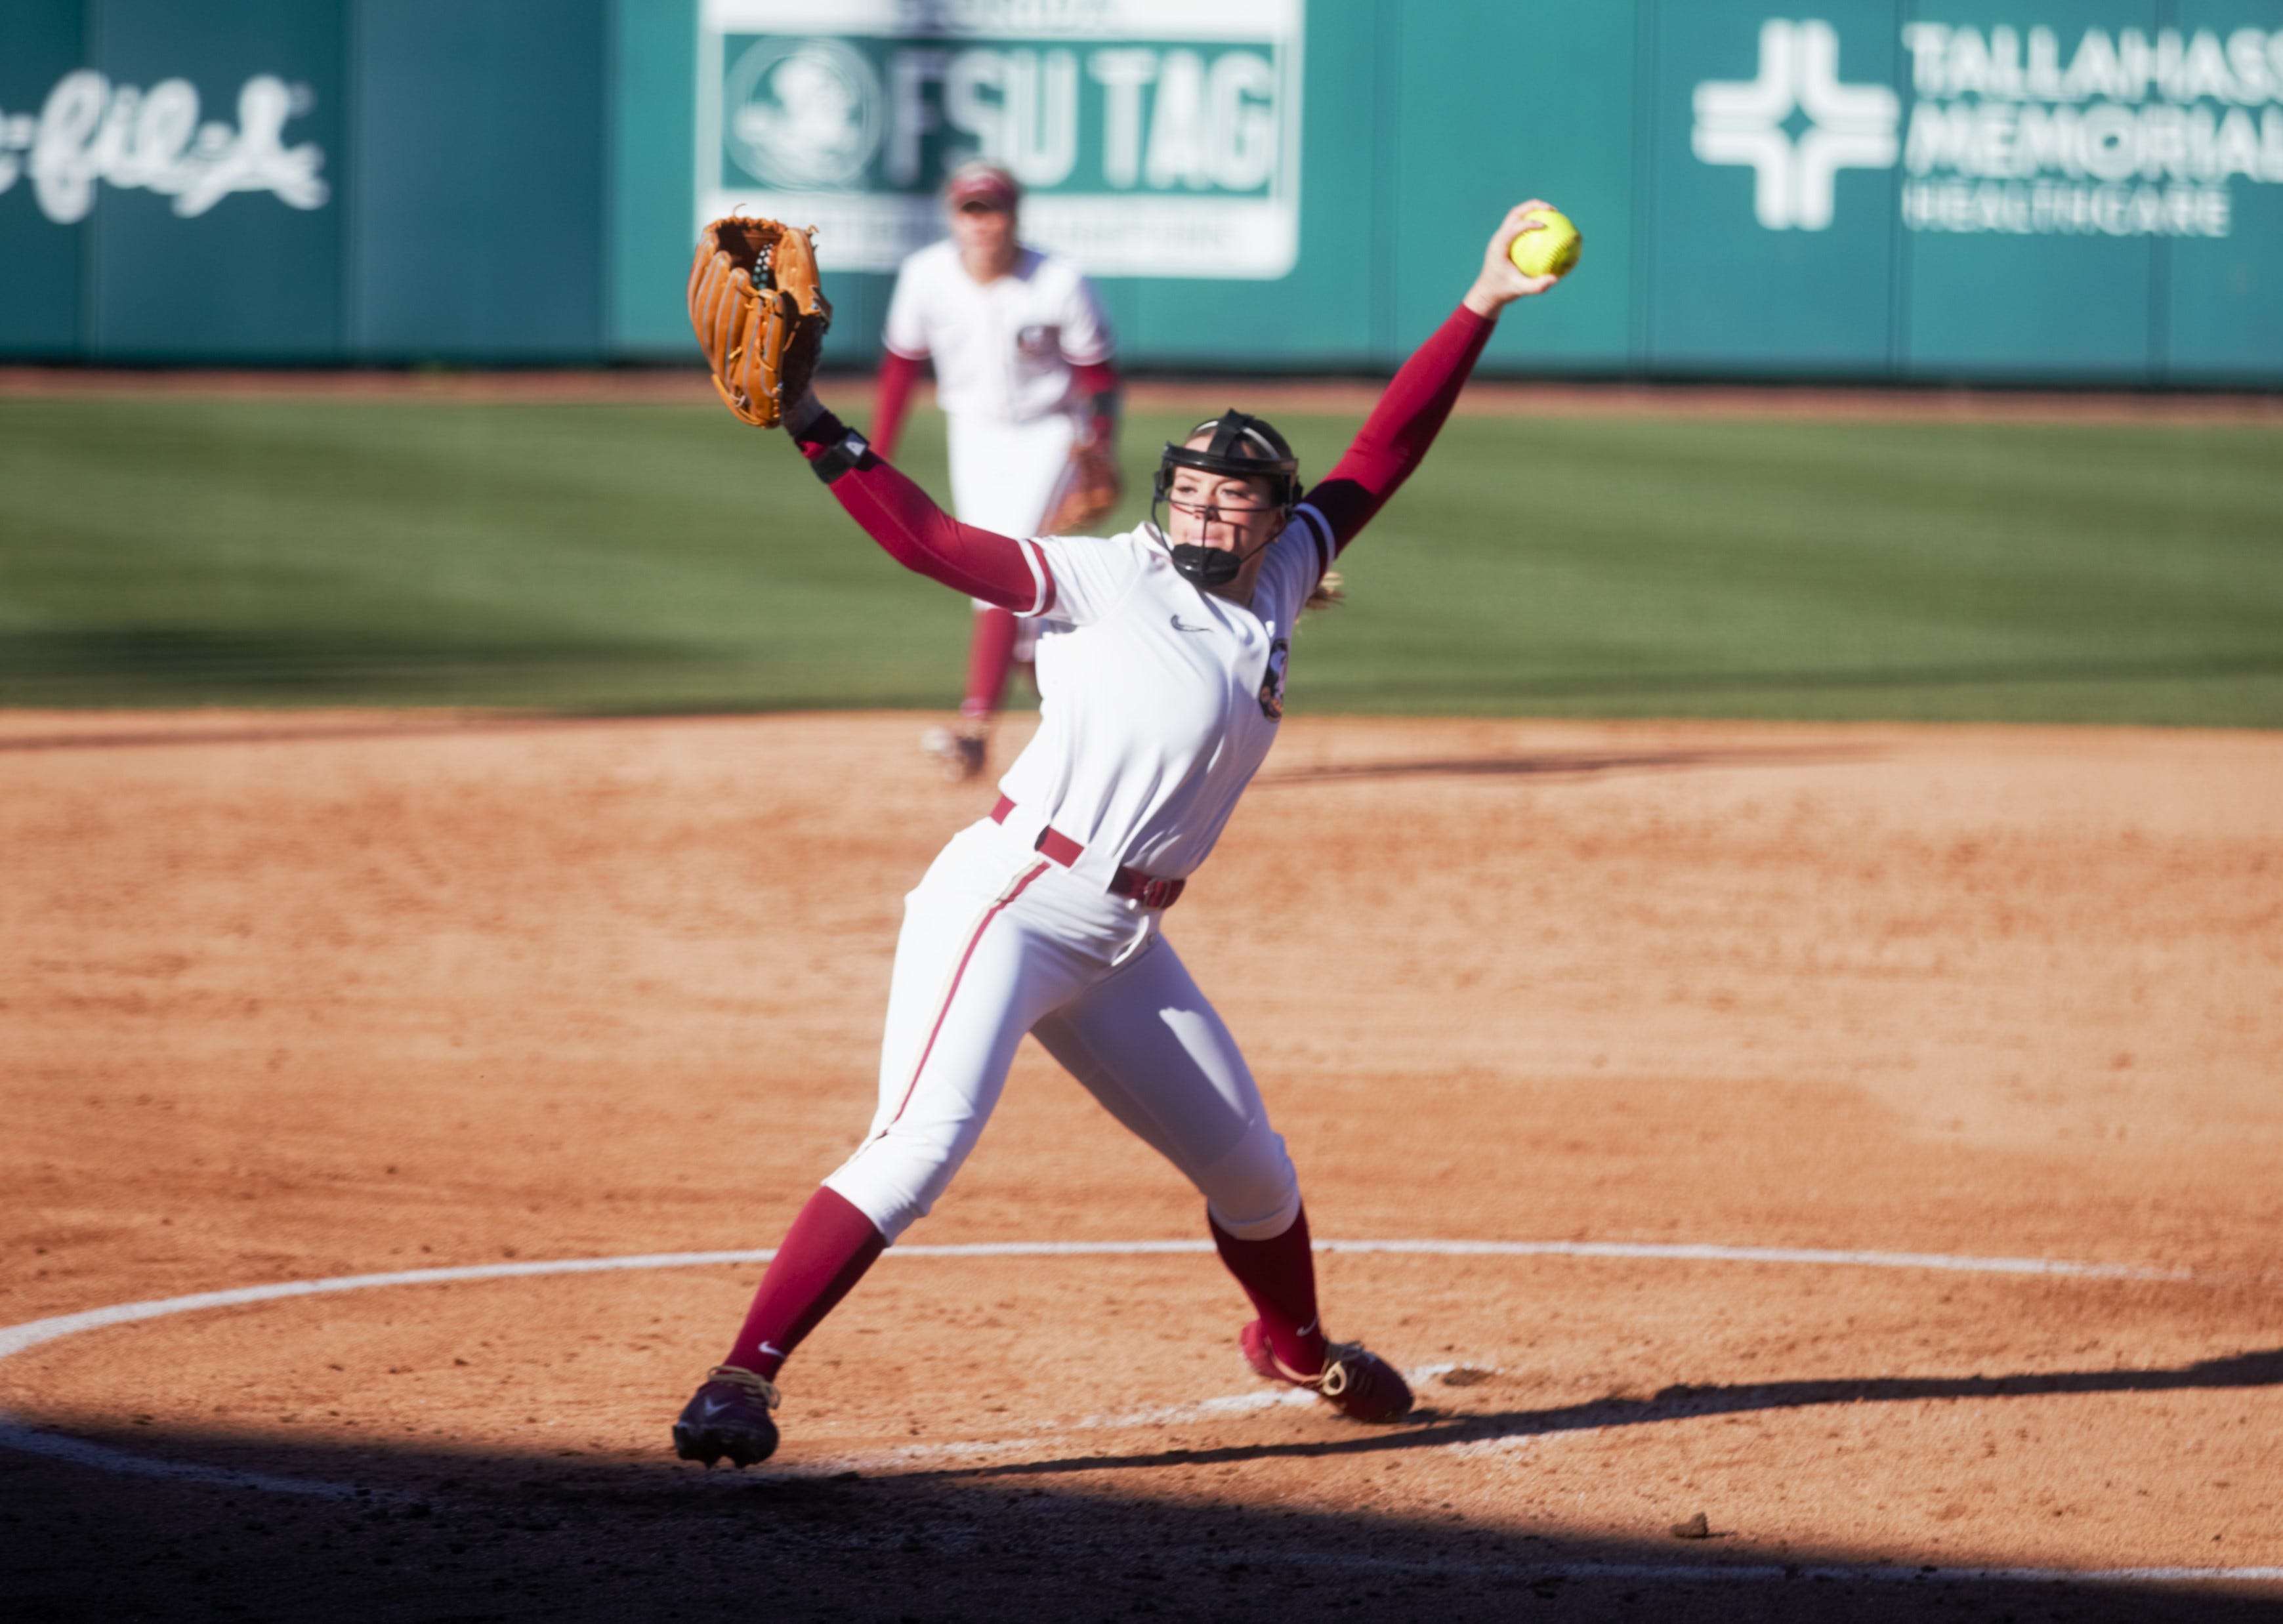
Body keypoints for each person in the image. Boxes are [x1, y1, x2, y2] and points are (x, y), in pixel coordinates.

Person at [671, 203, 1564, 1469]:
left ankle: (1296, 1349)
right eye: (1189, 495)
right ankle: (739, 1378)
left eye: (1232, 501)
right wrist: (818, 427)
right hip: (1006, 902)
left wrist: (1478, 301)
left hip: (1120, 937)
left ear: (1273, 517)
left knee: (1252, 1172)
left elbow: (1386, 447)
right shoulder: (1108, 578)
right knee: (919, 1146)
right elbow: (934, 544)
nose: (1207, 517)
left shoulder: (1282, 575)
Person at [870, 159, 1121, 782]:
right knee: (1020, 605)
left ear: (1015, 215)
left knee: (998, 572)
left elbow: (1099, 376)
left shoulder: (1058, 279)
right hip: (975, 437)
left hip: (1050, 433)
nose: (983, 223)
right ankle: (1099, 730)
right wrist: (877, 454)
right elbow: (901, 366)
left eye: (994, 209)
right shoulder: (925, 275)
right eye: (970, 210)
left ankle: (975, 727)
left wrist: (1101, 447)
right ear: (953, 216)